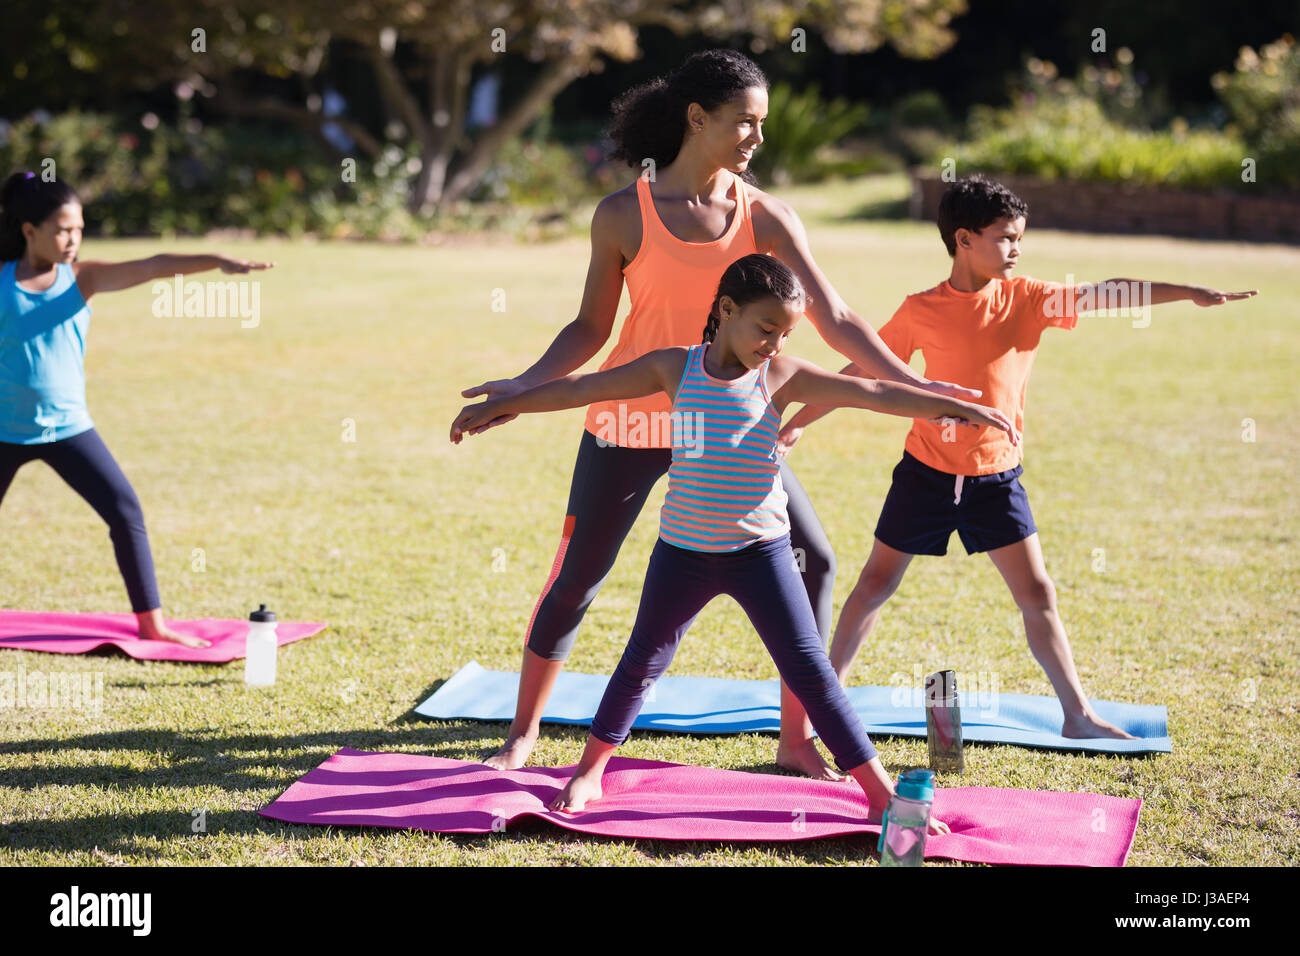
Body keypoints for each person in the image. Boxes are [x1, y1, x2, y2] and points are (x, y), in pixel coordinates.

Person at [459, 49, 980, 779]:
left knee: (816, 558)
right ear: (696, 117)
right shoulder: (622, 216)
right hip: (633, 420)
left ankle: (795, 741)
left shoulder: (765, 215)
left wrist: (921, 387)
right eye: (745, 123)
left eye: (761, 125)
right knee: (578, 576)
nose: (756, 139)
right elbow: (589, 329)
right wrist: (525, 385)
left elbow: (833, 315)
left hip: (731, 427)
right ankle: (523, 734)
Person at [452, 253, 1015, 820]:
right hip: (682, 552)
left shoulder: (782, 376)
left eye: (785, 332)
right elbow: (582, 388)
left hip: (762, 555)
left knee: (811, 673)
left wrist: (944, 402)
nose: (774, 343)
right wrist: (510, 402)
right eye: (765, 328)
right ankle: (589, 772)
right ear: (726, 310)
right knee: (640, 664)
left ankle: (880, 796)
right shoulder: (674, 368)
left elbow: (874, 392)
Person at [778, 174, 1257, 738]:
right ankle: (820, 711)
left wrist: (1187, 292)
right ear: (964, 239)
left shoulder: (1028, 299)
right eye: (1005, 237)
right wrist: (799, 423)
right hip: (925, 474)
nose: (1017, 249)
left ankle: (1077, 714)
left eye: (1019, 238)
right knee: (875, 584)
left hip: (995, 478)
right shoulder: (920, 309)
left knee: (1037, 593)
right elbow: (863, 371)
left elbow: (1108, 290)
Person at [0, 171, 273, 646]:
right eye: (63, 229)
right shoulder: (2, 283)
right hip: (4, 429)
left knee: (125, 510)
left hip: (68, 428)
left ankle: (153, 625)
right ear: (29, 230)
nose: (74, 239)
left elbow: (153, 264)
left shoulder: (82, 278)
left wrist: (216, 260)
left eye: (80, 229)